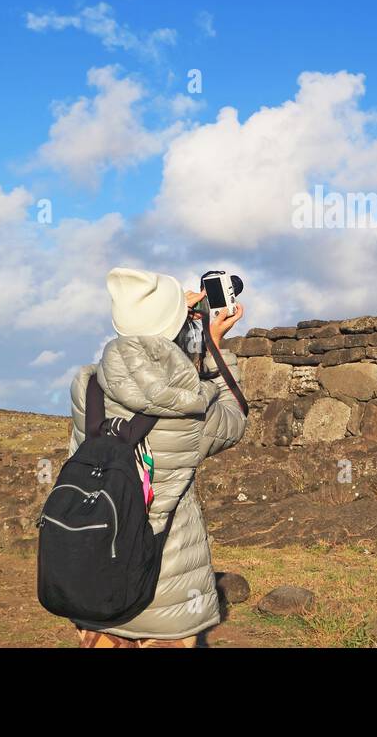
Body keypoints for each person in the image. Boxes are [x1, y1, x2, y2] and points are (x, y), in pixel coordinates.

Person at [67, 267, 246, 648]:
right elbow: (234, 420)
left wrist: (166, 320)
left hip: (95, 581)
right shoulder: (189, 405)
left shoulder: (87, 387)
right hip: (166, 589)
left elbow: (136, 376)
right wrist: (211, 344)